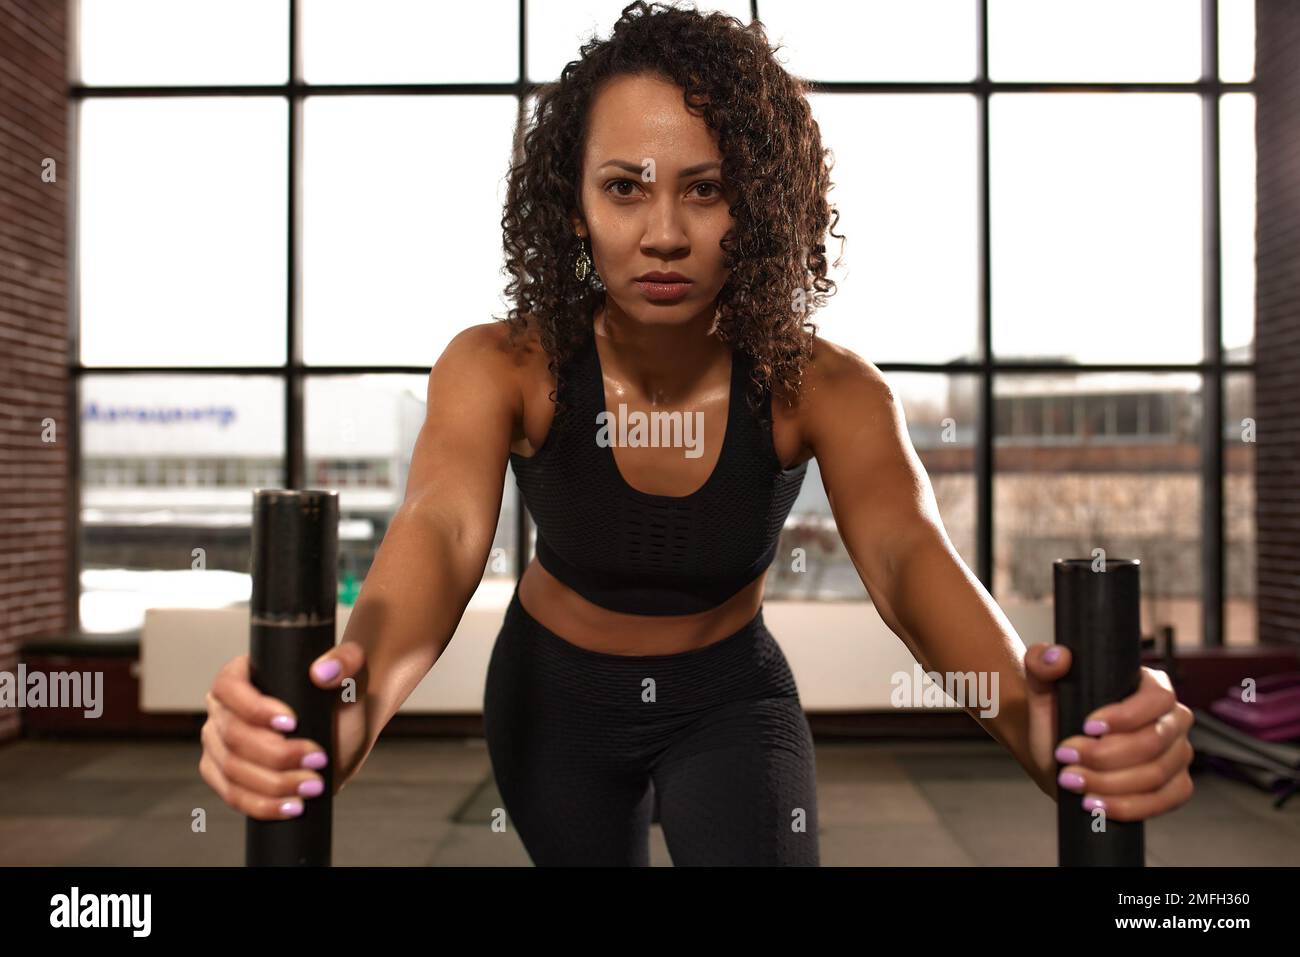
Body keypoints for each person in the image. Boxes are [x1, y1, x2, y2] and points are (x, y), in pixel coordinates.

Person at [199, 2, 1194, 866]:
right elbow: (441, 535)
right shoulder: (503, 364)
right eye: (624, 187)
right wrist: (348, 704)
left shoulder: (827, 388)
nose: (663, 232)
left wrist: (1036, 720)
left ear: (757, 204)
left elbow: (904, 561)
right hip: (553, 702)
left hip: (731, 696)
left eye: (705, 188)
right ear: (573, 206)